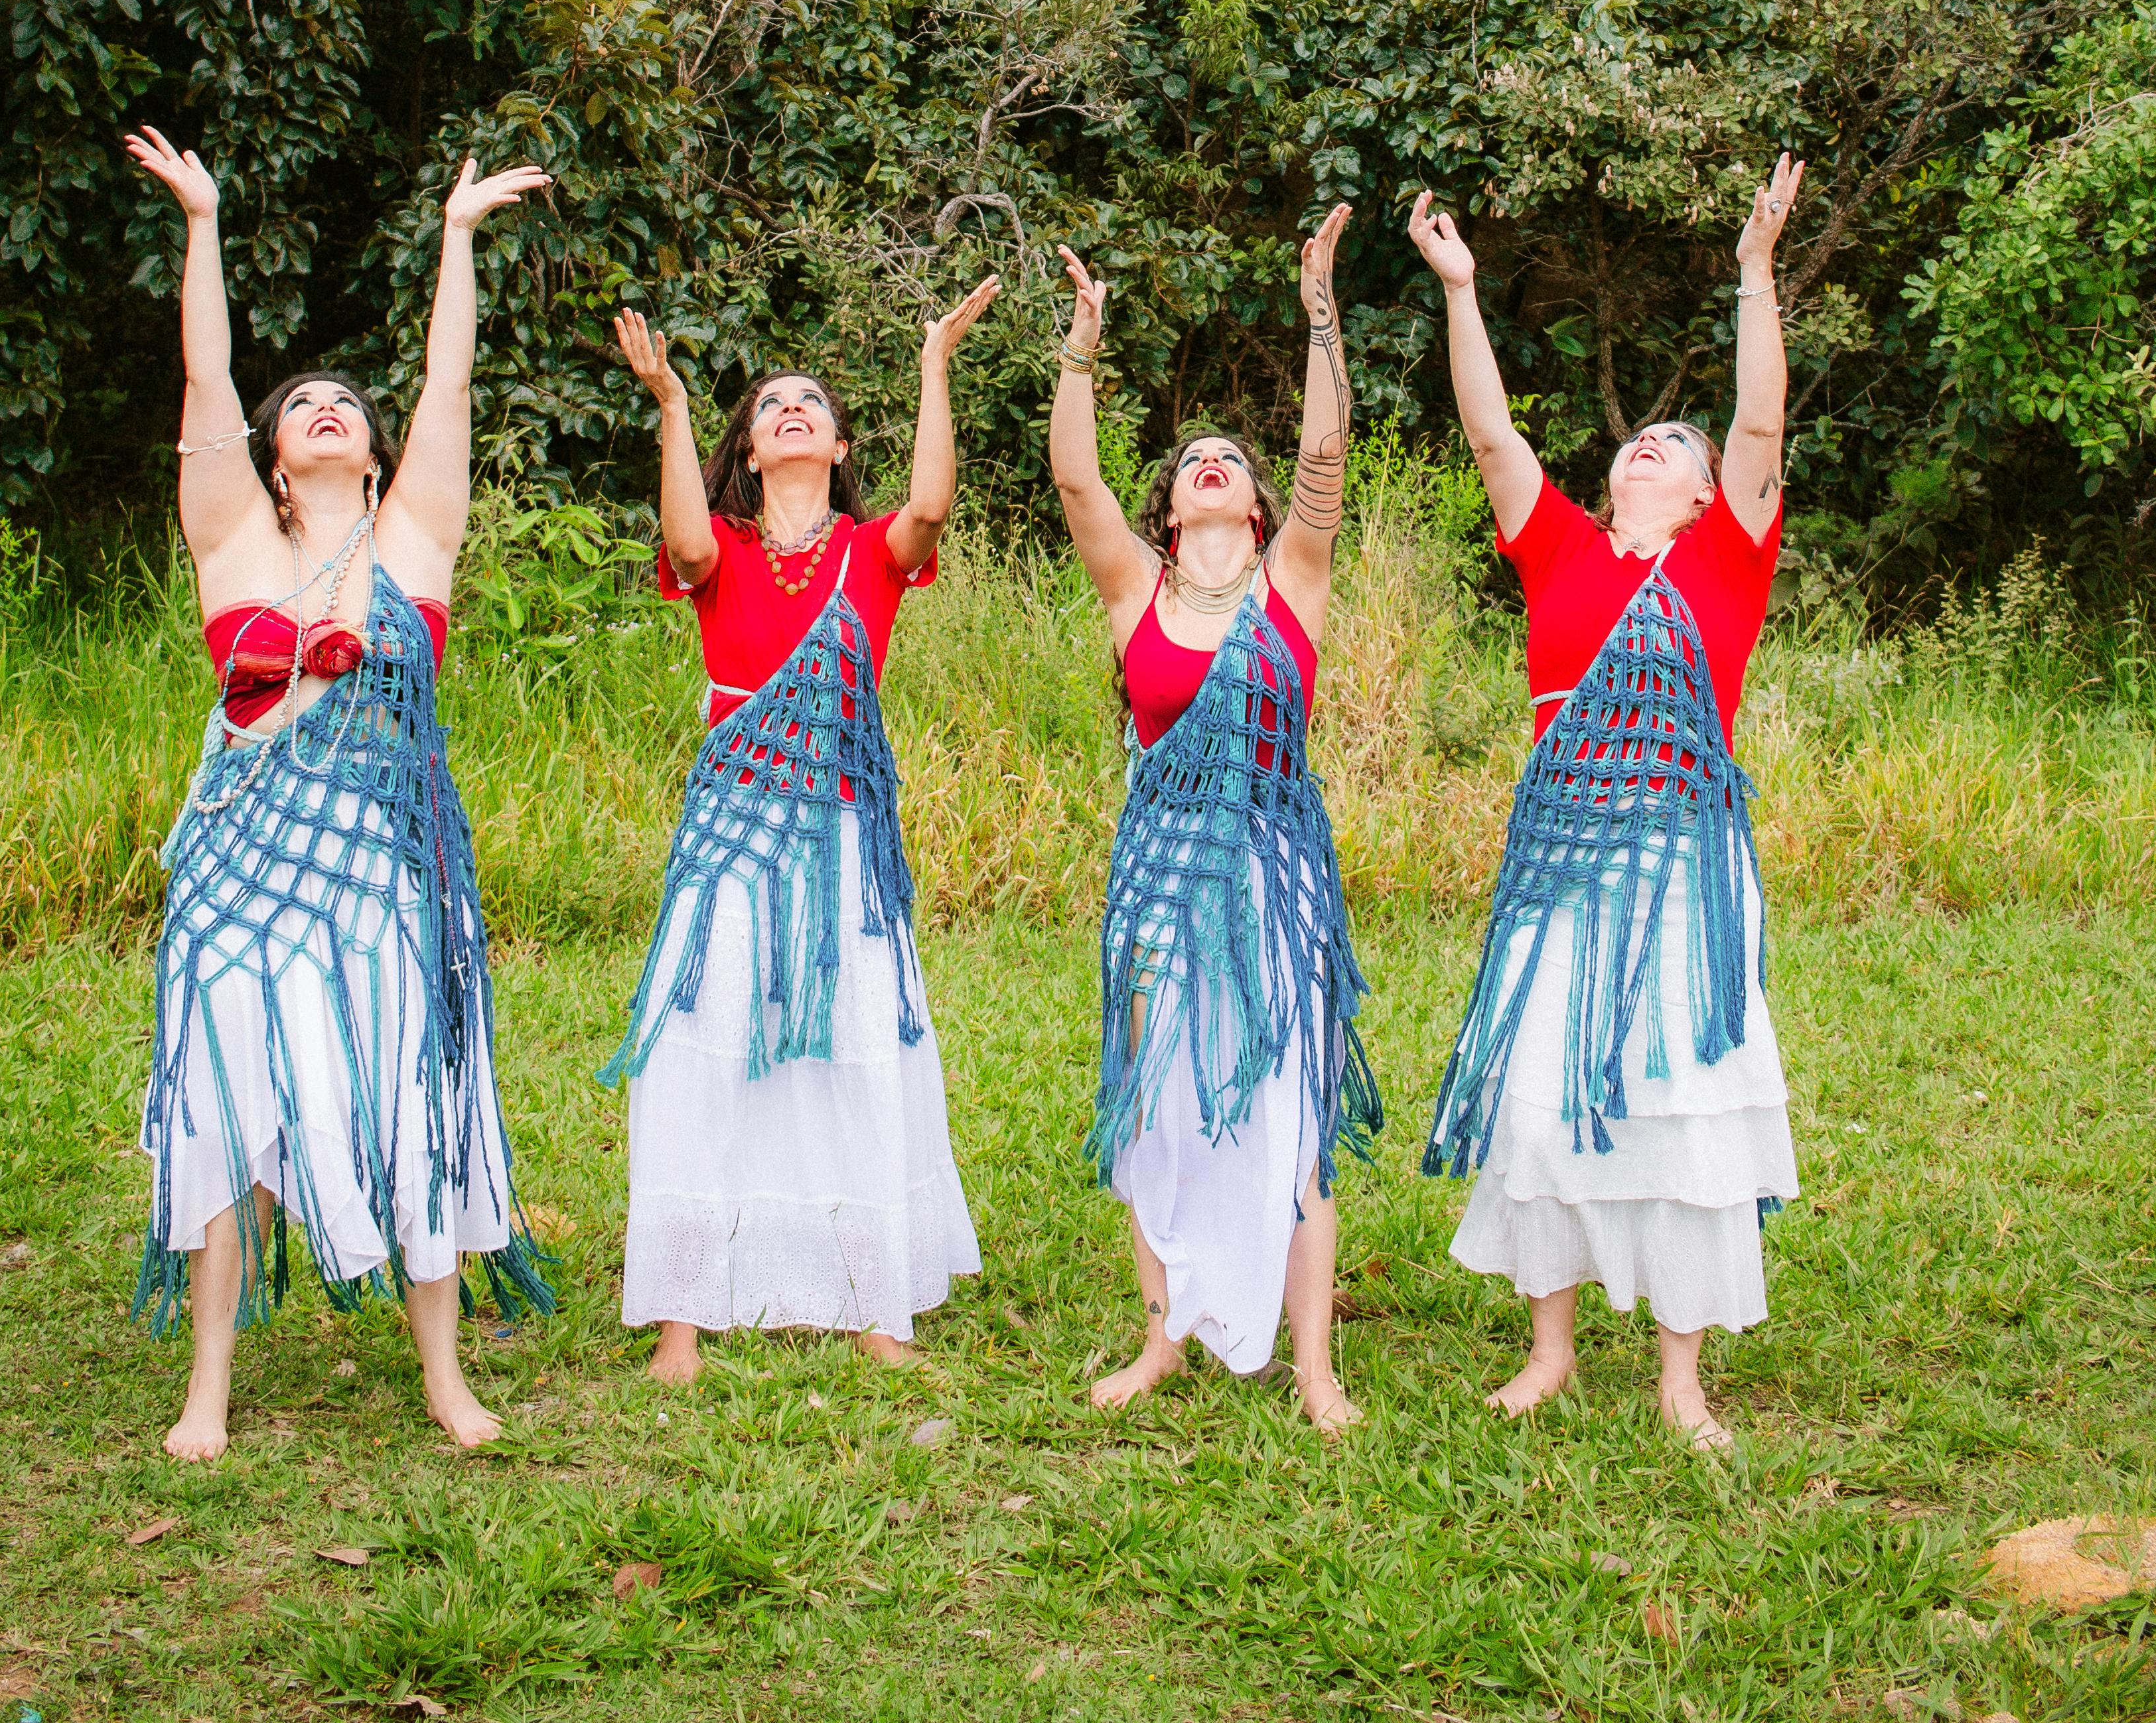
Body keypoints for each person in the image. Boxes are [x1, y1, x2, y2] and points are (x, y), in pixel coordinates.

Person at [123, 125, 555, 1464]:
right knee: (230, 1117)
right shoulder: (234, 541)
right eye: (298, 403)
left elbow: (449, 380)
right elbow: (206, 378)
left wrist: (459, 236)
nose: (322, 407)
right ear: (269, 456)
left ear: (369, 457)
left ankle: (442, 1377)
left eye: (344, 408)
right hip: (244, 870)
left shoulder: (414, 538)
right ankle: (207, 1391)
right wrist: (201, 221)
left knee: (411, 1103)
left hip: (383, 869)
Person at [1407, 155, 1806, 1446]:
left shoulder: (1726, 561)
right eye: (1644, 434)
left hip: (1684, 858)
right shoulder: (1563, 548)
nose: (1657, 442)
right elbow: (1487, 434)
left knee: (1679, 1100)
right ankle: (1551, 1350)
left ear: (1704, 492)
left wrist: (1753, 275)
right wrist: (1461, 291)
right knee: (1548, 1089)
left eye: (1676, 445)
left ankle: (1682, 1377)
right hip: (1565, 857)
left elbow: (1758, 422)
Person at [604, 285, 999, 1381]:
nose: (789, 409)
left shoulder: (877, 551)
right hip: (735, 830)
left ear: (832, 444)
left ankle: (876, 1306)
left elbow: (931, 505)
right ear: (750, 445)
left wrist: (934, 364)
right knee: (708, 1046)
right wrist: (674, 403)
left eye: (809, 402)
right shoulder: (725, 545)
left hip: (841, 834)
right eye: (769, 403)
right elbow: (683, 546)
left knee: (860, 1051)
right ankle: (682, 1318)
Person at [1049, 208, 1383, 1436]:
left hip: (1275, 879)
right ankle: (1163, 1341)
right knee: (1155, 1105)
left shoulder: (1294, 582)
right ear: (1175, 504)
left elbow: (1326, 464)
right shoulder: (1133, 587)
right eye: (1192, 456)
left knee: (1289, 1109)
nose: (1211, 463)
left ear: (1250, 510)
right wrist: (1083, 345)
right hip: (1161, 877)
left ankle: (1313, 1369)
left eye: (1229, 461)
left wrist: (1319, 316)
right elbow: (1075, 478)